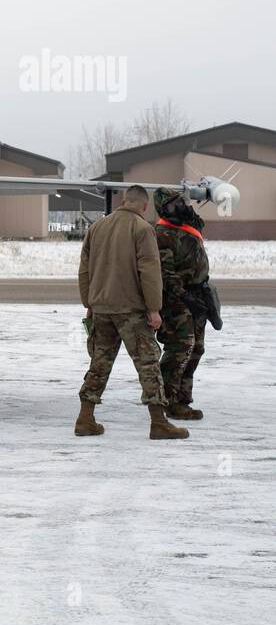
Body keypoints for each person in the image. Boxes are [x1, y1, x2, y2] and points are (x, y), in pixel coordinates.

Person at [75, 185, 189, 439]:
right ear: (144, 206)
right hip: (131, 311)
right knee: (148, 365)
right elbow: (149, 271)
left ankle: (85, 418)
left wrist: (89, 304)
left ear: (124, 201)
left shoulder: (96, 228)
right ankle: (159, 423)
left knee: (99, 363)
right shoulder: (142, 229)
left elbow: (84, 271)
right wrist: (154, 308)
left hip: (102, 308)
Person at [154, 188, 210, 420]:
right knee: (180, 347)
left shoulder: (186, 227)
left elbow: (198, 239)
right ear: (164, 208)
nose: (182, 206)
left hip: (197, 295)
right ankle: (166, 399)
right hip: (175, 300)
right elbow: (165, 274)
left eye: (182, 201)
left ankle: (182, 399)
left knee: (196, 348)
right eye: (176, 203)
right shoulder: (161, 234)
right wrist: (184, 297)